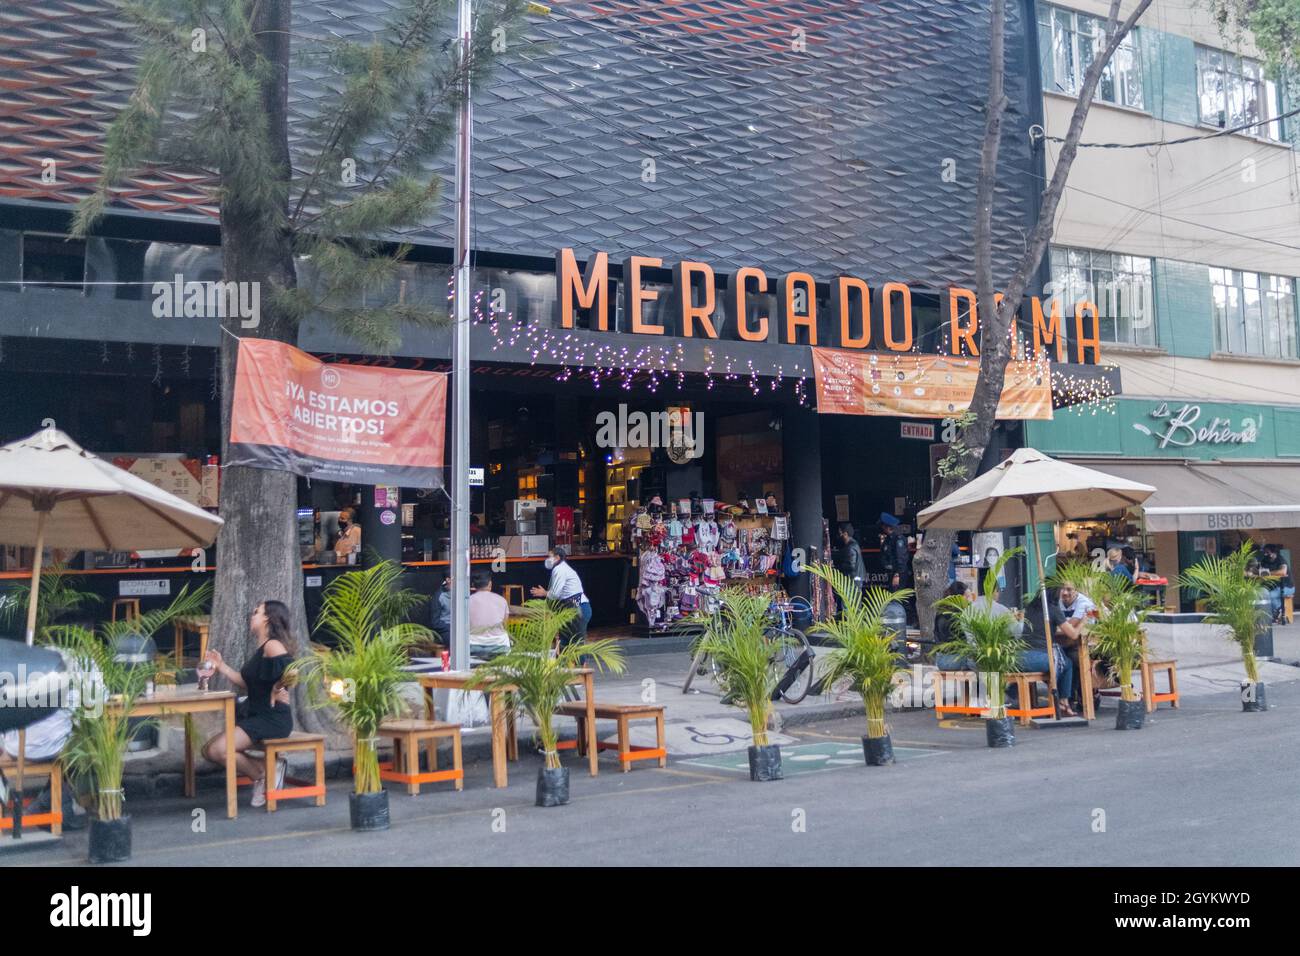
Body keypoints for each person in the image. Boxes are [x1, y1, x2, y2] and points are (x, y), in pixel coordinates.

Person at [201, 600, 295, 808]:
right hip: (255, 714)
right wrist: (221, 666)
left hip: (272, 718)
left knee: (218, 750)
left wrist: (278, 688)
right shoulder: (261, 648)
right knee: (208, 750)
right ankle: (269, 768)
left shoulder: (272, 645)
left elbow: (292, 670)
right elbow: (248, 683)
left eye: (256, 612)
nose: (252, 615)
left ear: (267, 619)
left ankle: (262, 775)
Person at [1020, 596, 1077, 717]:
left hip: (1019, 656)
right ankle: (1062, 701)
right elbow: (1073, 635)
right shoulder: (1052, 609)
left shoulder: (1029, 608)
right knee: (1067, 664)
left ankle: (1062, 701)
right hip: (1038, 658)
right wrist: (1085, 620)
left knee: (1062, 661)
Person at [532, 546, 590, 647]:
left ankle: (580, 663)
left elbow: (555, 594)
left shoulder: (559, 569)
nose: (547, 559)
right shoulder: (562, 568)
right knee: (566, 641)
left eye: (549, 556)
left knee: (575, 643)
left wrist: (544, 593)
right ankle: (565, 661)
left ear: (557, 557)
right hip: (574, 608)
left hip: (578, 608)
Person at [1055, 582, 1096, 712]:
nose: (1065, 593)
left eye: (1069, 589)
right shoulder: (1058, 601)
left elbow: (1072, 624)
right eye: (1062, 589)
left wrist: (1061, 625)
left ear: (1076, 590)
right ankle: (1068, 698)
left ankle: (1076, 697)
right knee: (1065, 659)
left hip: (1087, 644)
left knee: (1073, 659)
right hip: (1066, 642)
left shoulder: (1084, 602)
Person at [468, 568, 511, 659]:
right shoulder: (502, 600)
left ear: (473, 585)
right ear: (490, 584)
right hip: (499, 646)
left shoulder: (467, 602)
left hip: (473, 645)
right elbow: (505, 625)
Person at [933, 581, 973, 670]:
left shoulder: (942, 611)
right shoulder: (953, 616)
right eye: (968, 596)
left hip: (942, 659)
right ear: (958, 597)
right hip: (952, 660)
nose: (971, 600)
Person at [833, 523, 865, 612]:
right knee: (854, 605)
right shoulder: (853, 545)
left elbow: (851, 565)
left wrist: (836, 567)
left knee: (849, 606)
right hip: (854, 579)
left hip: (852, 580)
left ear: (845, 534)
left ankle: (850, 625)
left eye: (840, 533)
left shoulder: (851, 547)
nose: (839, 535)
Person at [1259, 543, 1293, 623]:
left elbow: (1283, 572)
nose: (1265, 554)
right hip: (1273, 586)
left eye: (1267, 552)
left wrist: (1269, 572)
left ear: (1274, 552)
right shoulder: (1265, 560)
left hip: (1286, 586)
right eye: (1264, 552)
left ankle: (1280, 610)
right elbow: (1260, 570)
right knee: (1263, 593)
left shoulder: (1280, 559)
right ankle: (1276, 612)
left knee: (1270, 595)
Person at [878, 513, 911, 590]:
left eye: (883, 526)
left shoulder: (898, 539)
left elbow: (901, 558)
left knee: (896, 597)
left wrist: (897, 575)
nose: (882, 528)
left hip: (898, 574)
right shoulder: (888, 539)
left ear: (887, 527)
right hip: (891, 572)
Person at [432, 575, 452, 646]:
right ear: (448, 580)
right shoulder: (439, 596)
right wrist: (451, 627)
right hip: (447, 630)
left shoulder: (464, 594)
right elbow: (435, 622)